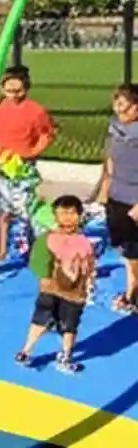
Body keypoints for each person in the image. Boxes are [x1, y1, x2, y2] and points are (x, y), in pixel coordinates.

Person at [16, 195, 95, 372]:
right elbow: (38, 261)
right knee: (42, 320)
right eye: (62, 213)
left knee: (70, 326)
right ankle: (26, 350)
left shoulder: (85, 244)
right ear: (55, 216)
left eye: (71, 213)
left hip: (74, 292)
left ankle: (65, 355)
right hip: (52, 289)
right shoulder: (48, 239)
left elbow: (88, 265)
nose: (67, 218)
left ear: (79, 216)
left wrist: (90, 283)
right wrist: (45, 279)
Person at [0, 68, 55, 260]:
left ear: (25, 89)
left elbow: (47, 134)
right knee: (2, 210)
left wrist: (33, 153)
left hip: (23, 167)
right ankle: (1, 249)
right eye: (9, 90)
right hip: (2, 166)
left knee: (27, 209)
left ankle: (35, 247)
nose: (13, 95)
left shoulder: (35, 111)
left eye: (18, 91)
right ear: (2, 89)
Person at [96, 83, 138, 315]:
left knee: (134, 250)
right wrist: (105, 187)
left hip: (135, 198)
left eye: (125, 104)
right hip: (118, 196)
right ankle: (131, 292)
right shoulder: (115, 127)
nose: (119, 109)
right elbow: (110, 158)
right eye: (117, 103)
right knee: (127, 249)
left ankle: (133, 295)